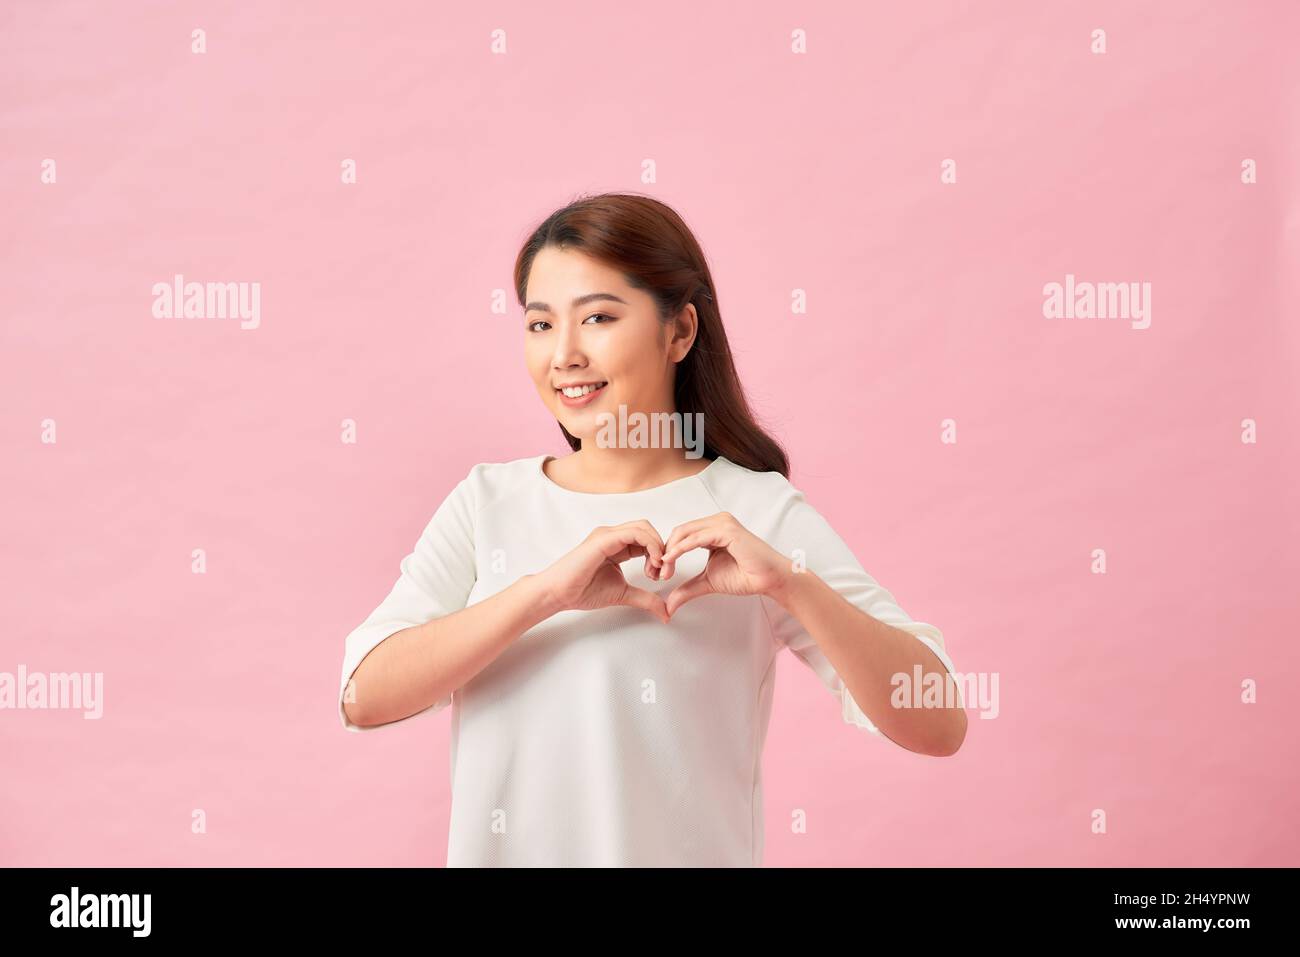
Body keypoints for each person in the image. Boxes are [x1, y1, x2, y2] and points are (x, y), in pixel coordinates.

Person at [337, 192, 967, 867]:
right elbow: (364, 695)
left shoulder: (754, 510)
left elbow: (938, 720)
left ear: (680, 332)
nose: (564, 355)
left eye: (599, 318)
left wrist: (791, 584)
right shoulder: (487, 502)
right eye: (541, 325)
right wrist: (545, 593)